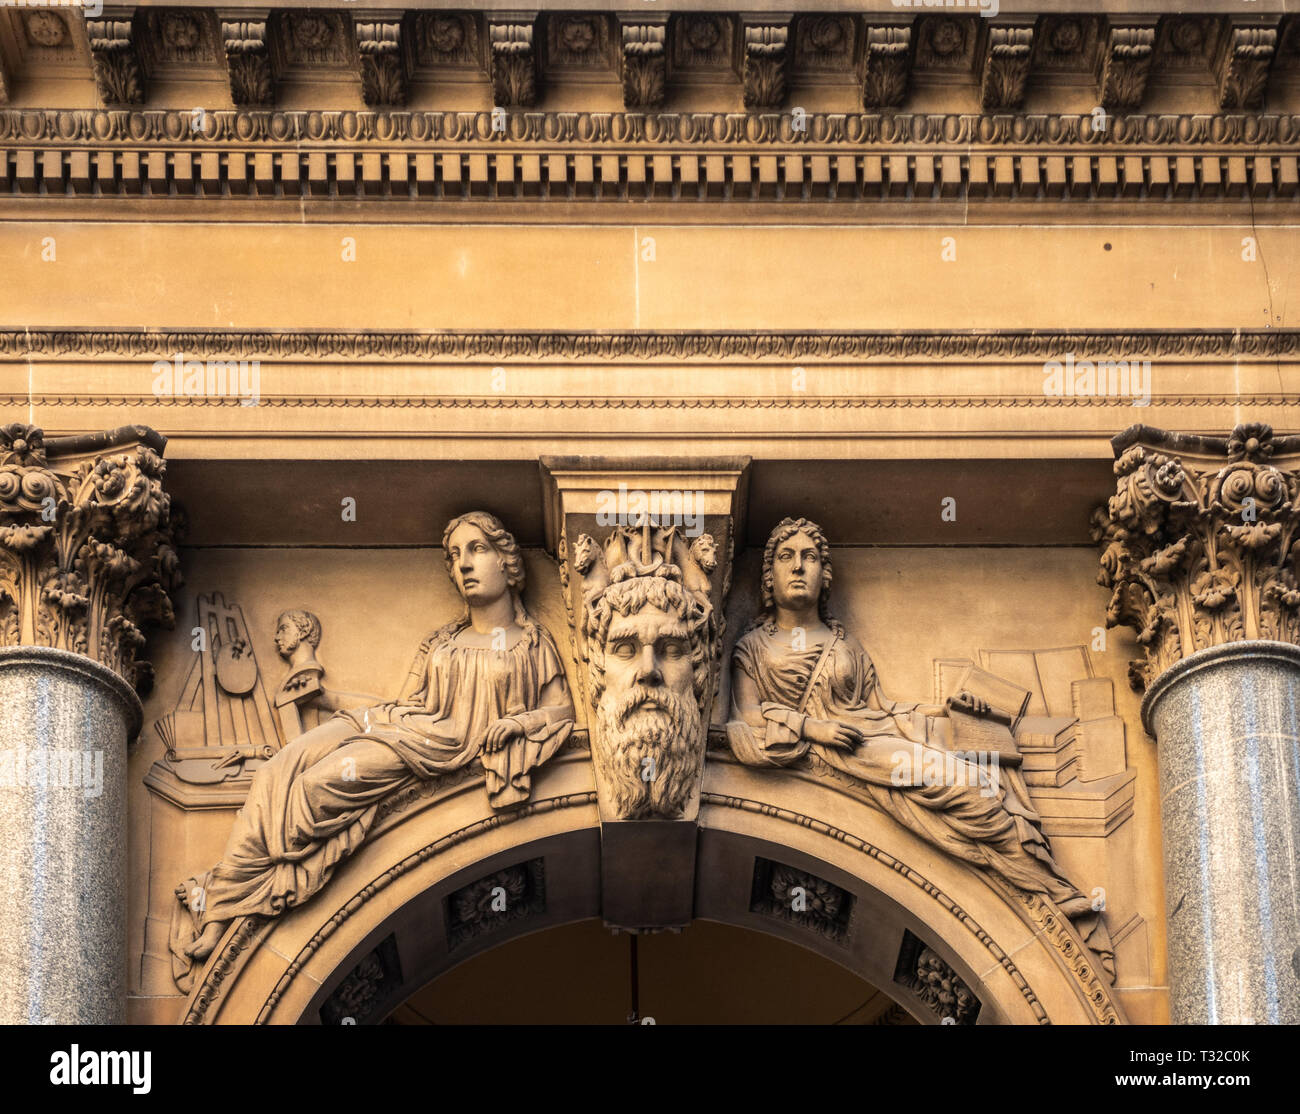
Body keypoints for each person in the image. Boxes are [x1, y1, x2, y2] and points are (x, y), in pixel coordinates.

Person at [172, 511, 574, 983]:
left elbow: (560, 710)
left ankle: (243, 891)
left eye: (477, 549)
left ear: (508, 562)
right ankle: (217, 903)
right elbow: (401, 705)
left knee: (315, 788)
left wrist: (517, 723)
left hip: (437, 749)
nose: (463, 564)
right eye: (454, 555)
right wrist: (329, 702)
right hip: (406, 728)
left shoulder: (532, 643)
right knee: (277, 769)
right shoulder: (440, 641)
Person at [726, 516, 1114, 978]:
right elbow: (746, 718)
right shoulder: (752, 647)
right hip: (843, 748)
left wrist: (950, 713)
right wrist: (813, 729)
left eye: (809, 557)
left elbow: (884, 709)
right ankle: (1046, 885)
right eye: (786, 558)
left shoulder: (844, 645)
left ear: (823, 575)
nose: (798, 567)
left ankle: (1041, 880)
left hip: (870, 738)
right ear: (768, 575)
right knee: (970, 787)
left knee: (981, 784)